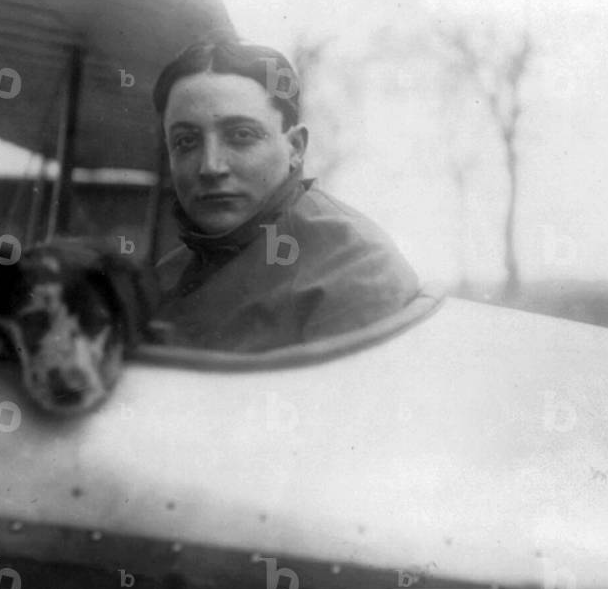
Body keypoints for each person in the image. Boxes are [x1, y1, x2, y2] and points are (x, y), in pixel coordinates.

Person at [149, 34, 422, 353]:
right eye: (186, 142)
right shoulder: (167, 274)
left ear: (295, 147)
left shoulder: (353, 267)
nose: (211, 166)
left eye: (241, 136)